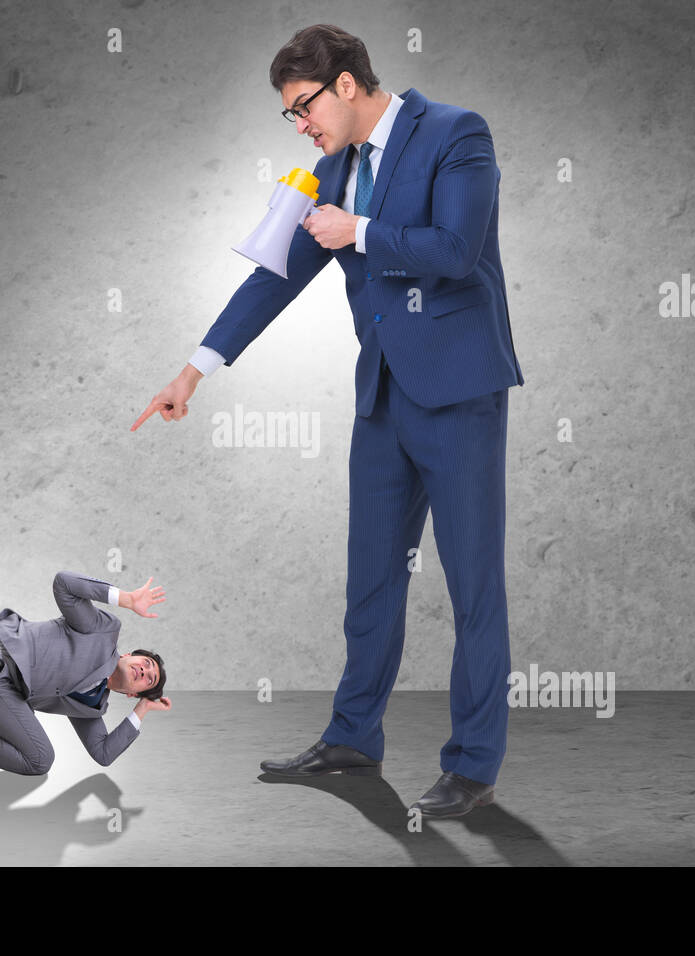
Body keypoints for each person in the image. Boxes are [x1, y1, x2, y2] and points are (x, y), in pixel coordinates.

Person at [131, 25, 522, 817]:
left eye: (303, 106)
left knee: (473, 585)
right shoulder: (330, 171)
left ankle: (473, 765)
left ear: (347, 85)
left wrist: (362, 232)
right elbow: (274, 279)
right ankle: (352, 737)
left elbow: (456, 248)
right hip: (382, 395)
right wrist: (193, 371)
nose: (300, 124)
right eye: (291, 115)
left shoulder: (456, 132)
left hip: (459, 394)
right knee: (369, 579)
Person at [0, 570, 170, 775]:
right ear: (127, 655)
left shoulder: (89, 706)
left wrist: (143, 708)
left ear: (133, 693)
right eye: (145, 662)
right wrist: (126, 598)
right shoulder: (102, 632)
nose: (144, 670)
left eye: (150, 678)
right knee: (39, 757)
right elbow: (64, 583)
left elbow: (103, 753)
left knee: (36, 756)